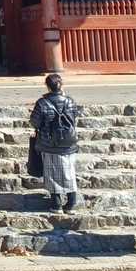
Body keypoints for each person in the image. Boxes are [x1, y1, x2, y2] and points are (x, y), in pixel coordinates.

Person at [31, 72, 80, 211]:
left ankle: (56, 203)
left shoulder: (42, 103)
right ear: (61, 85)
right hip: (68, 142)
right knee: (69, 172)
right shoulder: (69, 101)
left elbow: (35, 122)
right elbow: (74, 117)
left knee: (52, 173)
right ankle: (71, 203)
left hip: (49, 143)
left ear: (47, 86)